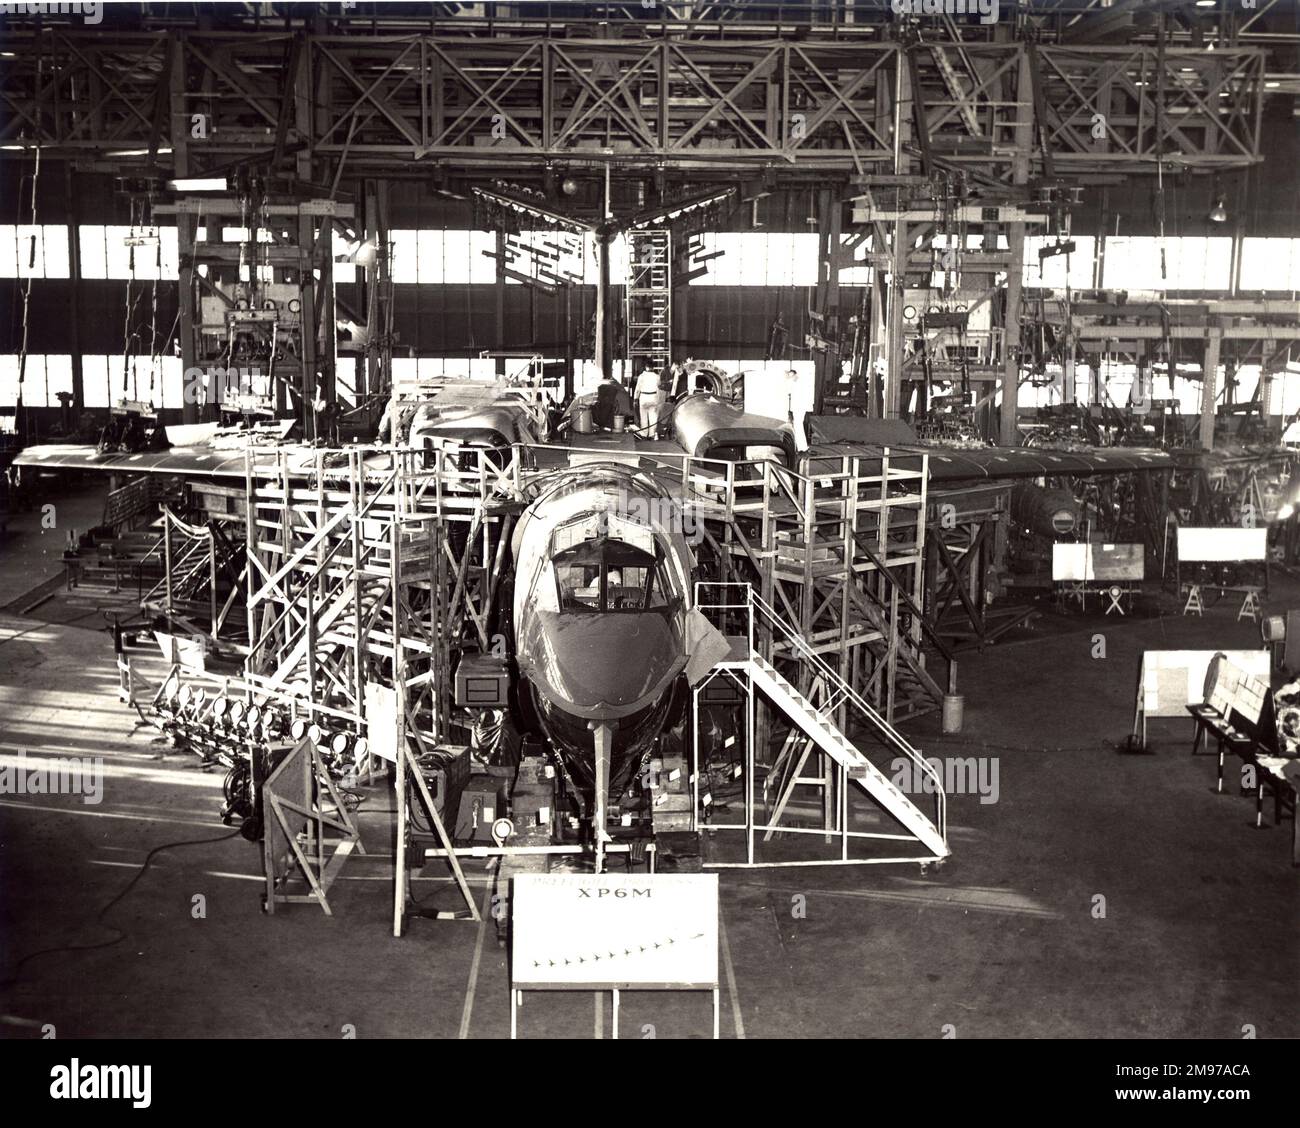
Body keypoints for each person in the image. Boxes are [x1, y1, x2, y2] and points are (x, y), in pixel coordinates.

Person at [634, 363, 661, 436]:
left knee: (643, 417)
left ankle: (644, 434)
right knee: (653, 418)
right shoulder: (657, 376)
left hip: (643, 397)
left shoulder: (641, 376)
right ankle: (652, 434)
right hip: (653, 397)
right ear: (653, 367)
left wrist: (635, 399)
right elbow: (659, 387)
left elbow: (637, 389)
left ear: (646, 367)